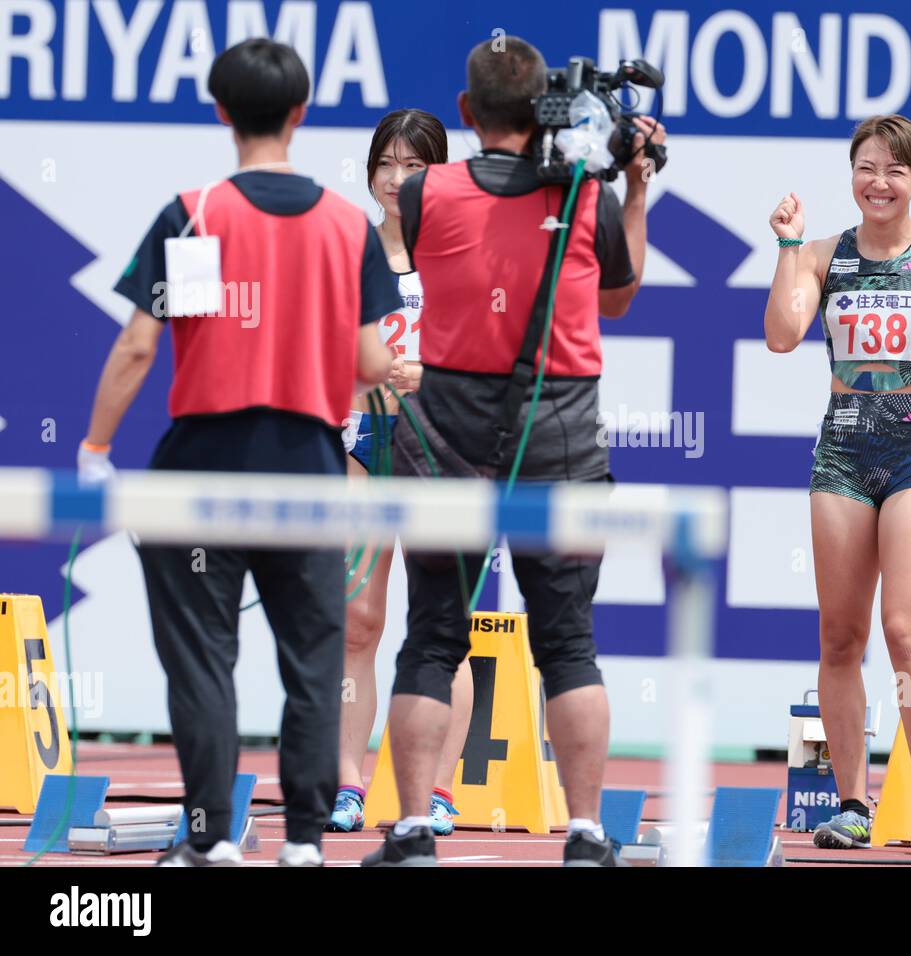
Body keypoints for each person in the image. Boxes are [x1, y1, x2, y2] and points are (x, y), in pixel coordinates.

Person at [78, 38, 400, 866]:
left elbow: (142, 348)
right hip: (307, 463)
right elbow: (371, 366)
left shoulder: (196, 213)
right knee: (313, 660)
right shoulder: (344, 227)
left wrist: (96, 444)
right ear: (300, 114)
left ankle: (211, 839)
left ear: (222, 112)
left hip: (203, 467)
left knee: (201, 661)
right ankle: (301, 841)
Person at [360, 35, 664, 867]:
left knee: (431, 637)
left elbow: (442, 247)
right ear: (545, 113)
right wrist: (632, 184)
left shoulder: (422, 194)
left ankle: (415, 827)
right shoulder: (585, 196)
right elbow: (622, 295)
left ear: (463, 113)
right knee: (568, 642)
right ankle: (588, 832)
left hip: (447, 430)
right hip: (561, 431)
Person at [764, 114, 911, 855]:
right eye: (866, 167)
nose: (878, 182)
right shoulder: (826, 254)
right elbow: (783, 334)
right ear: (851, 175)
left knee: (904, 630)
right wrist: (790, 249)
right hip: (843, 452)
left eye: (895, 170)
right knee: (840, 635)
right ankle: (851, 804)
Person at [328, 108, 476, 836]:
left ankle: (438, 790)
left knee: (441, 625)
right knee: (356, 620)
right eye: (385, 163)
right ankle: (347, 783)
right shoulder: (347, 249)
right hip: (366, 446)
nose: (395, 179)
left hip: (443, 450)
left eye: (413, 165)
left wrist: (431, 375)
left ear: (438, 173)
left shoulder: (460, 251)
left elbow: (496, 356)